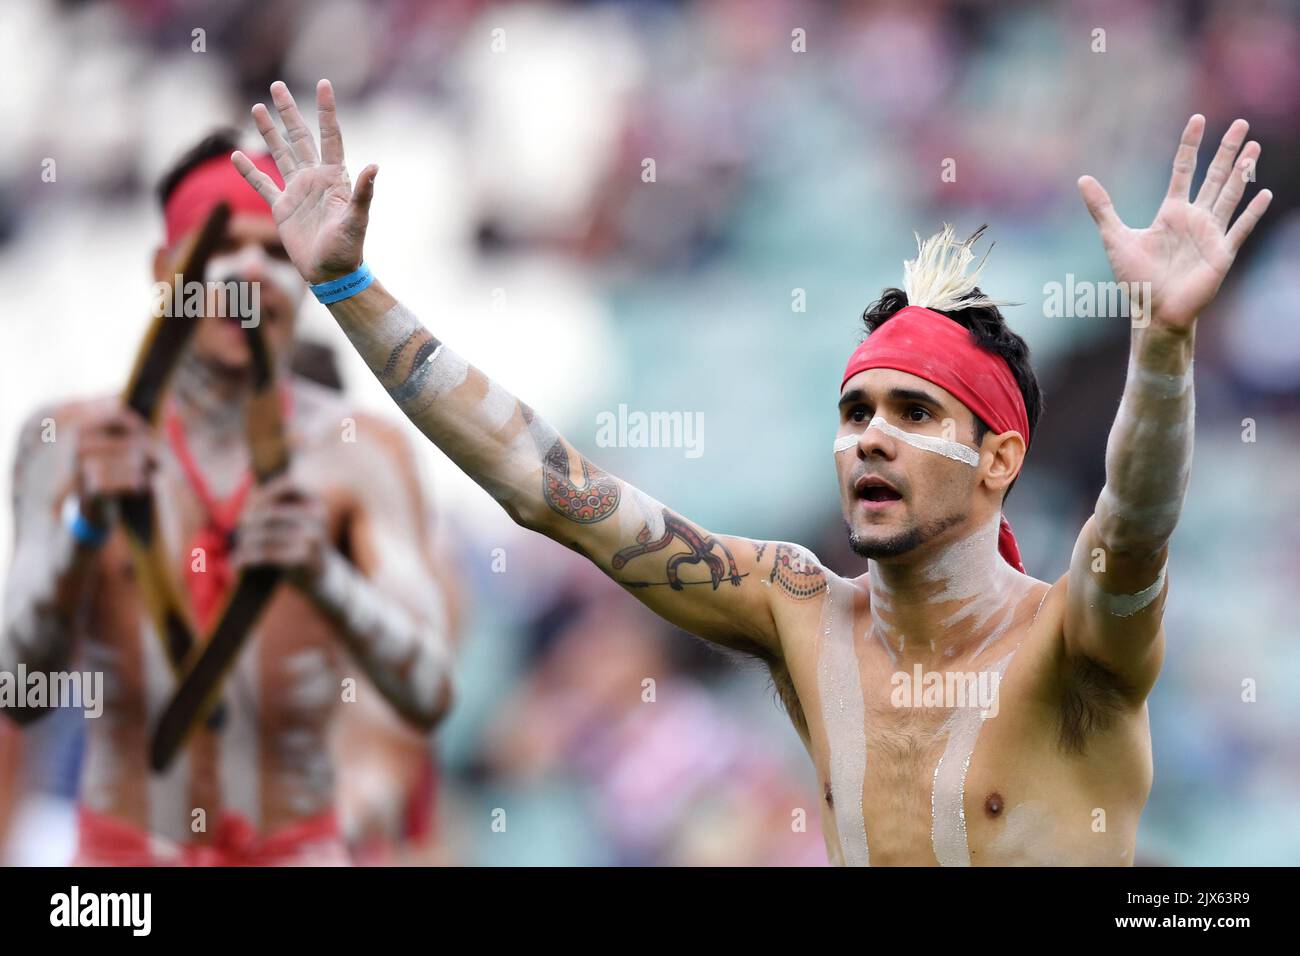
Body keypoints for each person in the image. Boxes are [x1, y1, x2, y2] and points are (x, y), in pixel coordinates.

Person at [234, 79, 1270, 865]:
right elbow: (543, 484)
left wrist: (1165, 342)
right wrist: (350, 285)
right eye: (855, 410)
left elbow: (1134, 515)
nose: (869, 435)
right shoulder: (799, 610)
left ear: (1000, 457)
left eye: (913, 412)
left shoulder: (1072, 639)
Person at [0, 130, 456, 866]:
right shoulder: (64, 441)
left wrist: (328, 581)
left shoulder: (364, 453)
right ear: (165, 269)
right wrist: (84, 528)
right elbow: (18, 691)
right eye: (223, 245)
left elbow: (429, 692)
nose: (251, 272)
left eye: (278, 253)